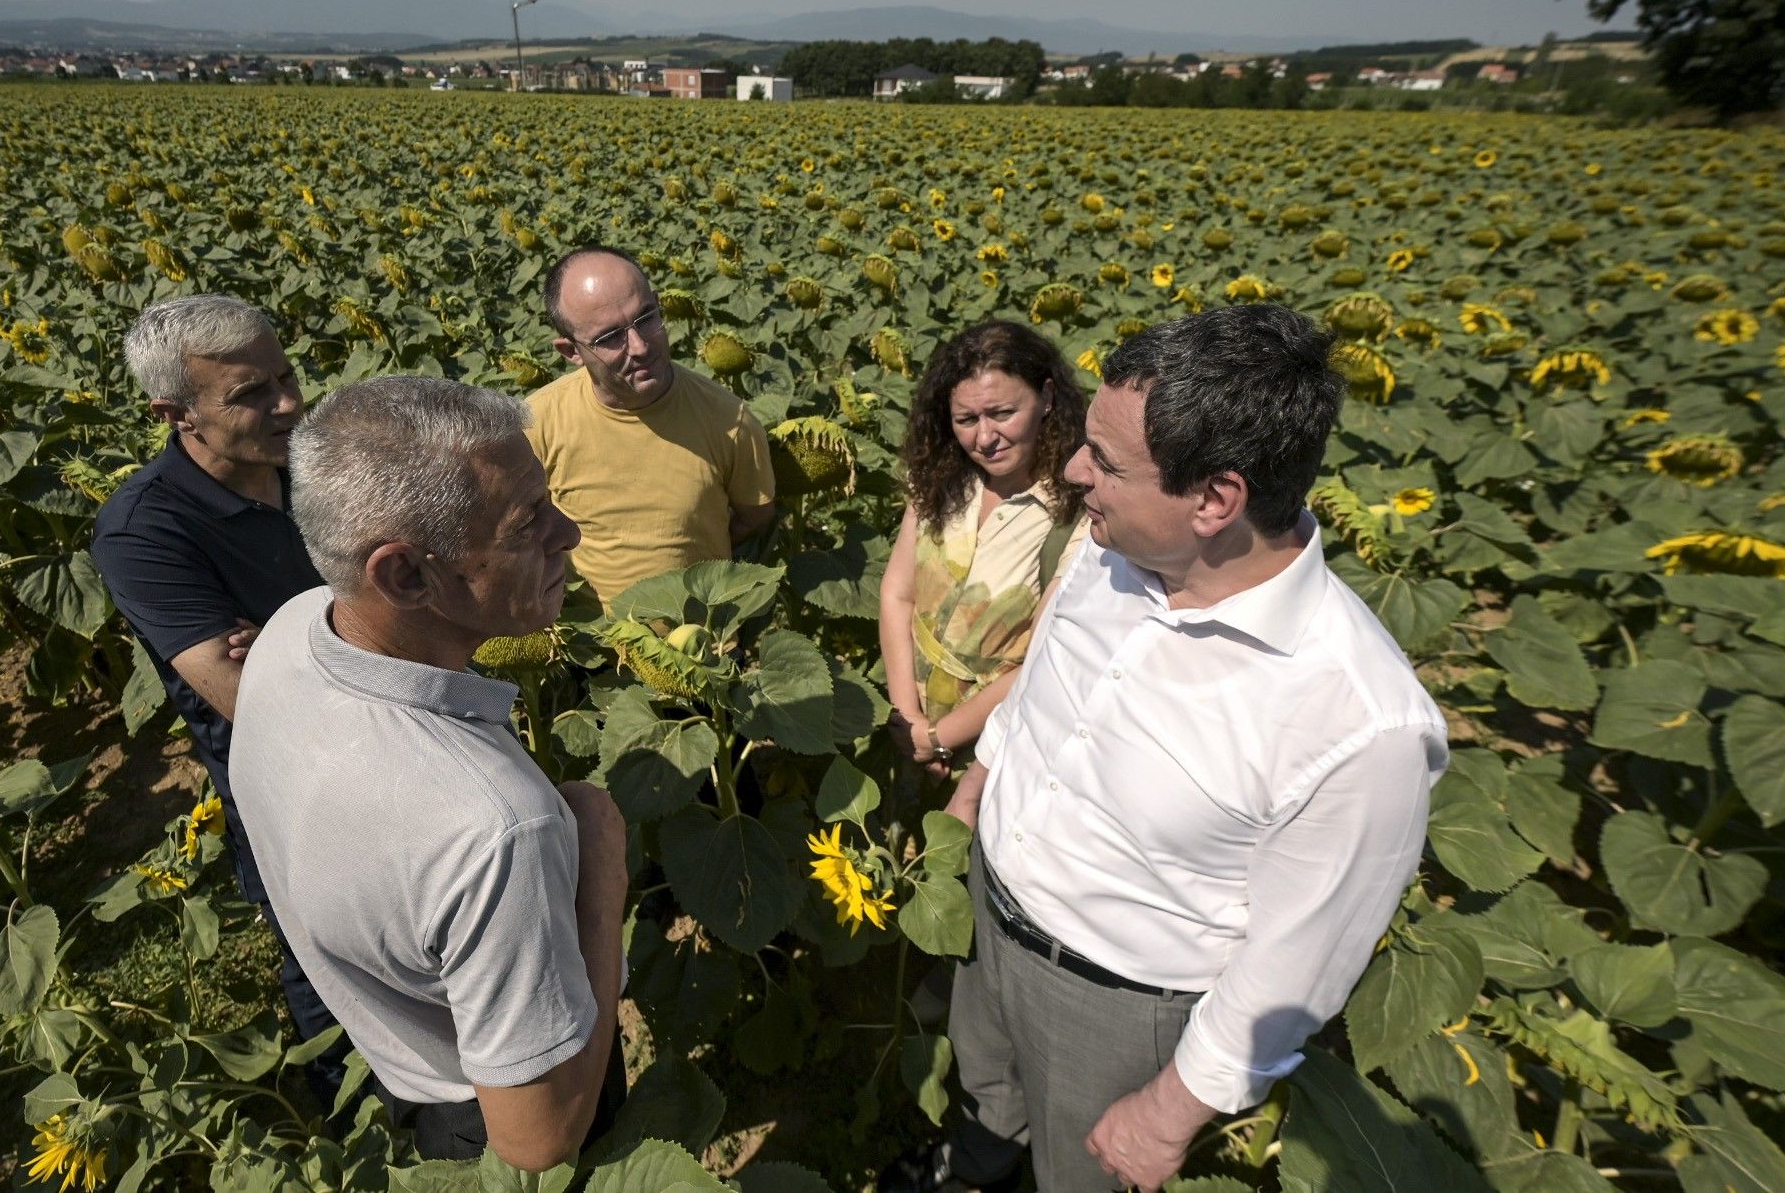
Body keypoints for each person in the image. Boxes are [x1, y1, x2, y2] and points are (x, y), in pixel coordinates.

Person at [885, 305, 1448, 1193]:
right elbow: (1041, 689)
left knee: (1081, 1173)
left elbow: (1299, 956)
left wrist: (1169, 1109)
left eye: (1104, 461)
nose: (1073, 470)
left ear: (1215, 500)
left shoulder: (1358, 721)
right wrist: (980, 783)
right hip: (991, 915)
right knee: (984, 1091)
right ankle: (972, 1164)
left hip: (1113, 1005)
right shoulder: (1108, 555)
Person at [228, 376, 629, 1170]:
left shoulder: (289, 631)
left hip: (395, 1051)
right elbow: (536, 1140)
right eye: (527, 525)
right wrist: (603, 878)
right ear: (407, 576)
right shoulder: (492, 829)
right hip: (487, 1110)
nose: (570, 533)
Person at [90, 294, 349, 1102]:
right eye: (251, 393)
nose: (290, 403)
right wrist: (370, 624)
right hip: (292, 792)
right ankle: (366, 1139)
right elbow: (254, 702)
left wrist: (288, 641)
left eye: (287, 375)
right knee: (330, 971)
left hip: (410, 752)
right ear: (176, 414)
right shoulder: (146, 529)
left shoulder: (320, 462)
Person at [879, 321, 1086, 782]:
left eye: (1002, 413)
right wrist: (906, 718)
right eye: (966, 420)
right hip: (906, 721)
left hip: (996, 746)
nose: (985, 438)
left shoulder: (1077, 513)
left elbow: (1044, 655)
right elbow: (898, 594)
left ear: (1047, 399)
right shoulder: (940, 479)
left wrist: (940, 736)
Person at [527, 246, 775, 606]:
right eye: (609, 337)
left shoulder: (729, 421)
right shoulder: (538, 424)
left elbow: (753, 517)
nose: (641, 346)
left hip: (704, 649)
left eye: (646, 318)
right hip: (591, 649)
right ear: (571, 352)